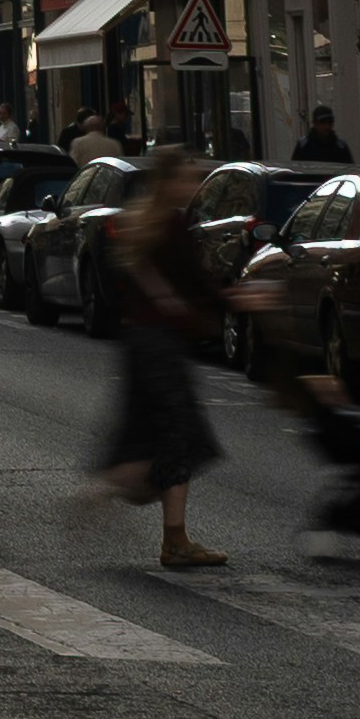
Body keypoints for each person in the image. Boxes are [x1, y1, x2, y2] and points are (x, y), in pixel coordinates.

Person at [89, 159, 223, 572]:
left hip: (143, 343)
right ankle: (165, 530)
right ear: (167, 183)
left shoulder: (146, 224)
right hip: (161, 346)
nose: (194, 185)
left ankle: (164, 525)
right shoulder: (170, 227)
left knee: (165, 433)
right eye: (187, 178)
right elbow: (197, 283)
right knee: (180, 435)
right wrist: (236, 303)